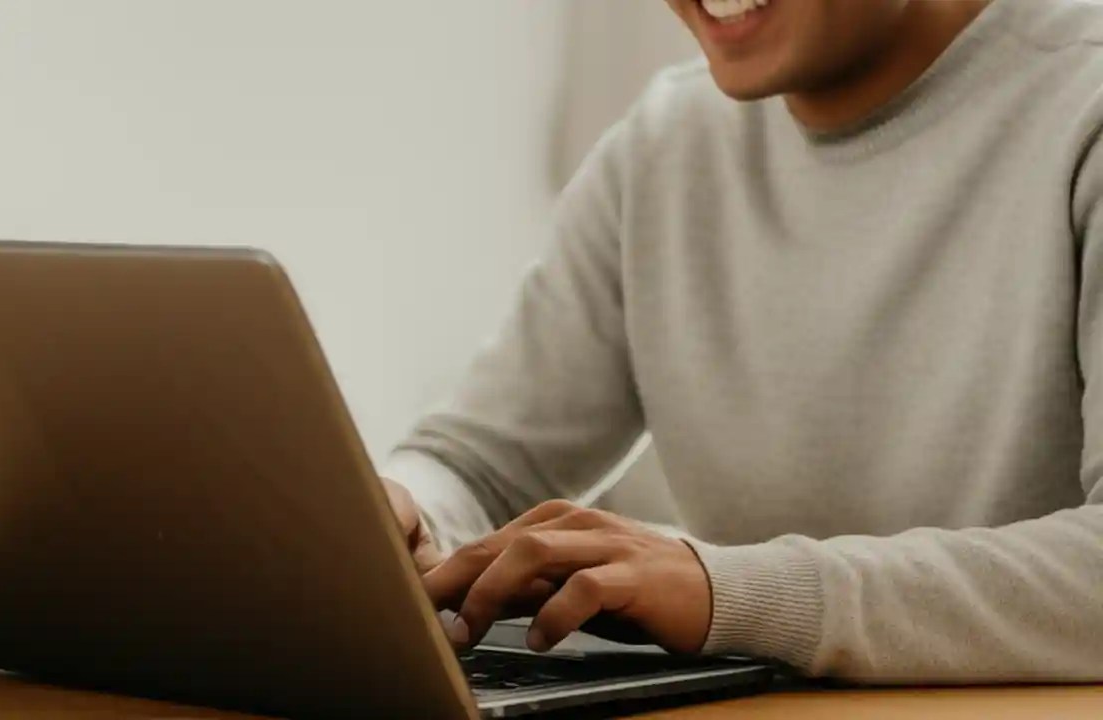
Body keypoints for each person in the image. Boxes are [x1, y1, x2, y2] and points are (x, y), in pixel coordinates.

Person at [380, 0, 1103, 683]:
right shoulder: (664, 147)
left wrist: (729, 591)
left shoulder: (1081, 103)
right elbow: (477, 467)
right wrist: (398, 515)